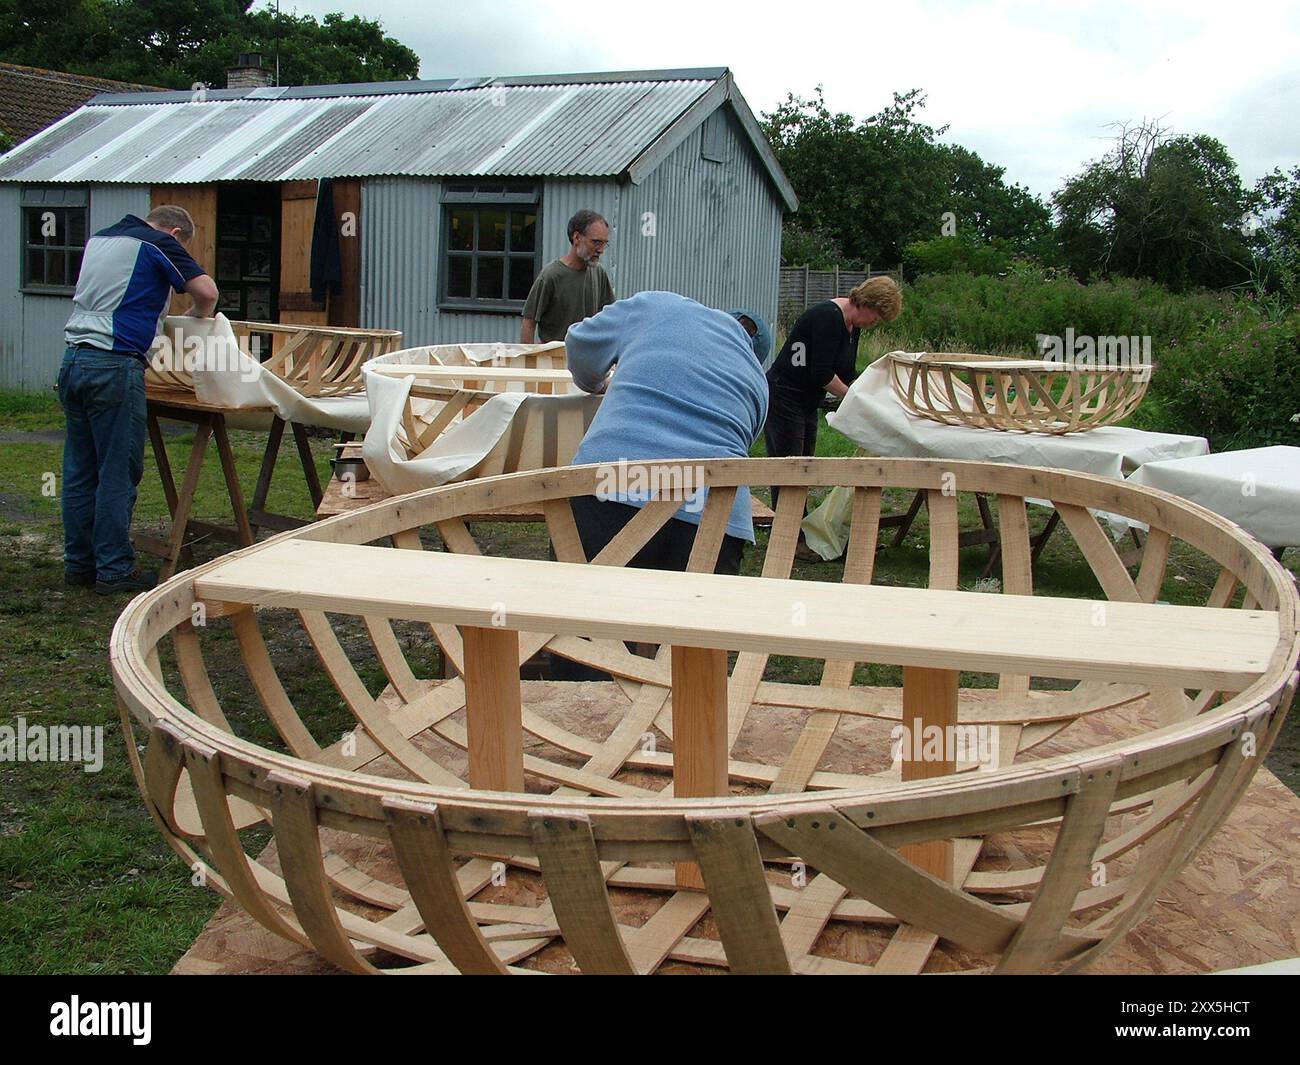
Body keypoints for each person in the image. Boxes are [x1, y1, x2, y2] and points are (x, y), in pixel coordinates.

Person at [60, 205, 218, 594]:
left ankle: (79, 564)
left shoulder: (101, 239)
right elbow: (206, 291)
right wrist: (200, 318)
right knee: (117, 470)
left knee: (81, 470)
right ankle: (113, 569)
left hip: (74, 359)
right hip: (114, 364)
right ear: (177, 232)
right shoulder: (159, 242)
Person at [563, 291, 768, 575]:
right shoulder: (759, 382)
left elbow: (579, 345)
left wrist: (594, 382)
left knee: (582, 606)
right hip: (712, 517)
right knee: (692, 616)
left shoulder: (656, 305)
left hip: (610, 485)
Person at [764, 276, 902, 518]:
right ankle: (790, 537)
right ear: (867, 304)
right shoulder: (828, 317)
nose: (874, 323)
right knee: (791, 468)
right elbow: (822, 374)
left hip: (806, 400)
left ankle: (798, 526)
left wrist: (873, 393)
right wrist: (856, 400)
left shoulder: (852, 326)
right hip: (784, 396)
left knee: (805, 465)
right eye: (876, 317)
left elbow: (846, 372)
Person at [520, 209, 615, 343]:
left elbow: (610, 316)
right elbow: (528, 323)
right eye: (596, 242)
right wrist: (527, 362)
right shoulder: (550, 276)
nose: (601, 250)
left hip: (589, 358)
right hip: (554, 359)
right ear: (577, 238)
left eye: (605, 244)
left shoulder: (599, 273)